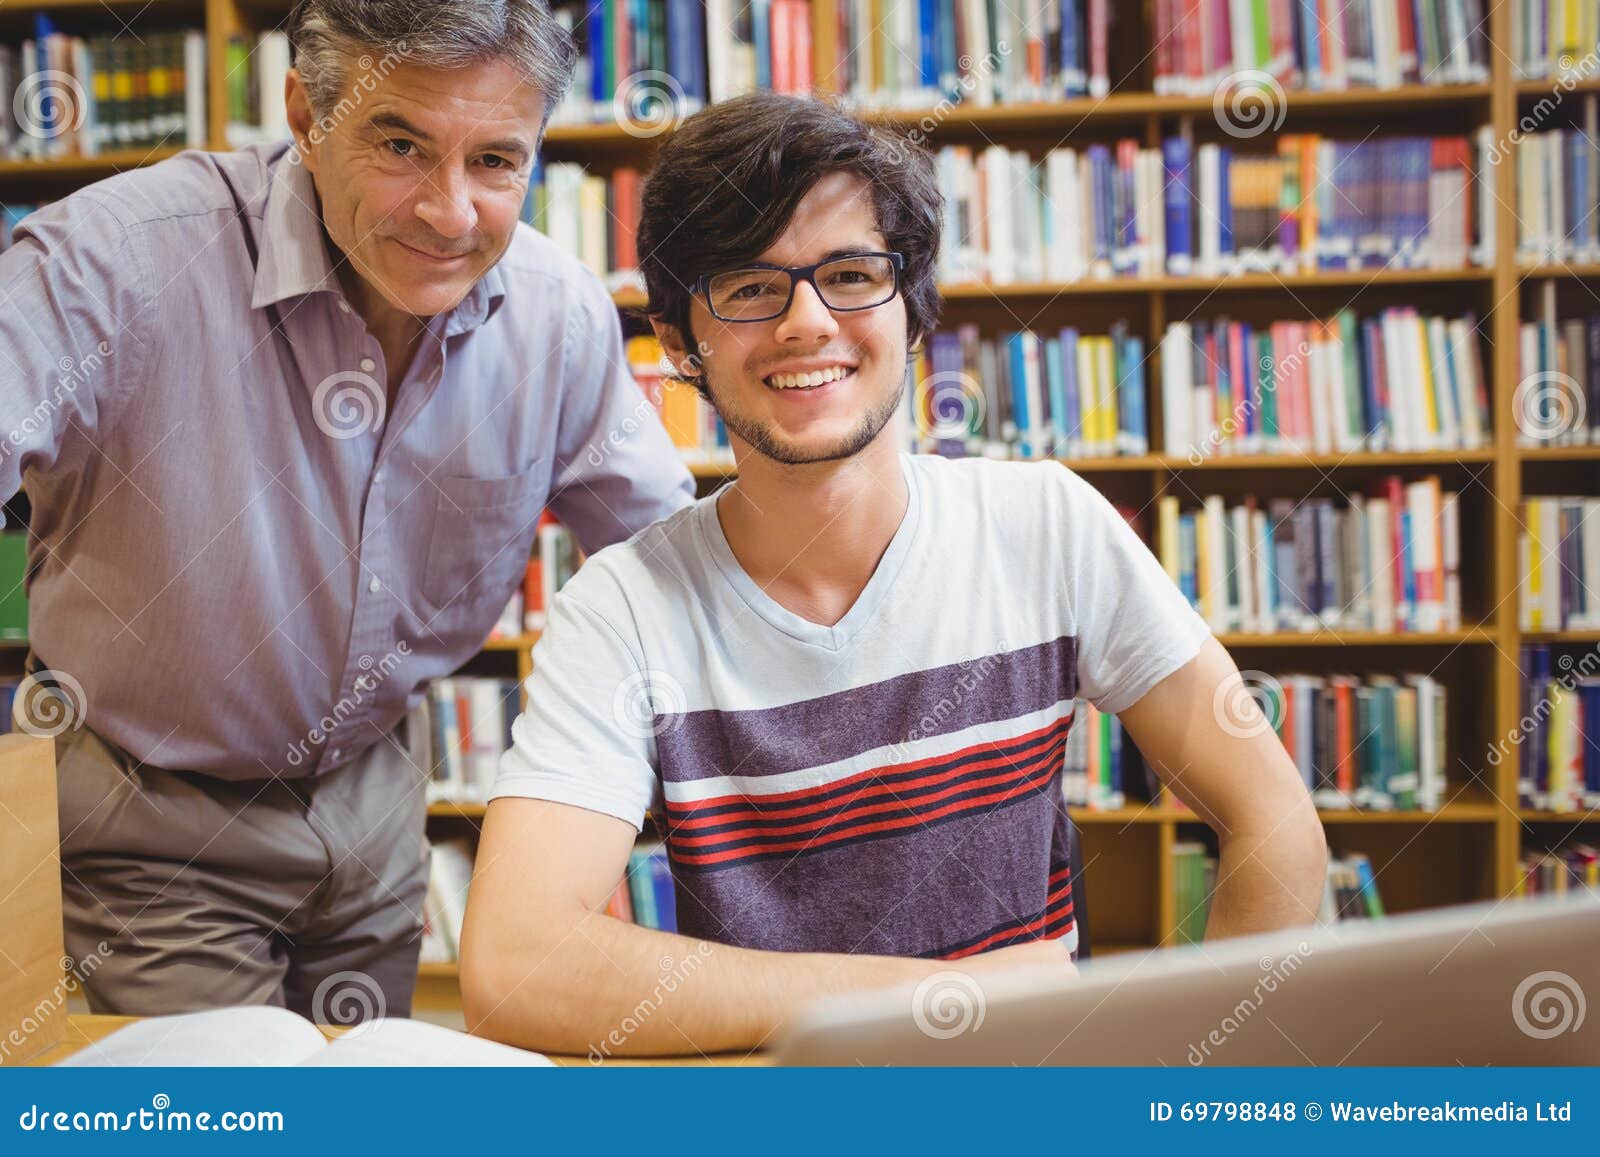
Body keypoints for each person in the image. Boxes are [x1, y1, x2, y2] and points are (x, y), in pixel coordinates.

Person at [461, 92, 1327, 1056]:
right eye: (749, 287)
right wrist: (937, 997)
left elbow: (1273, 819)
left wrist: (1212, 1091)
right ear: (676, 344)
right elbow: (515, 969)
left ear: (911, 313)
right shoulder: (622, 610)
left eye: (850, 274)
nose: (807, 321)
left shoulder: (1045, 525)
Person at [0, 0, 692, 1020]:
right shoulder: (109, 262)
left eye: (496, 161)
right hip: (153, 820)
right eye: (401, 144)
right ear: (305, 116)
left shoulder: (559, 312)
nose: (449, 212)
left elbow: (666, 565)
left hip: (376, 803)